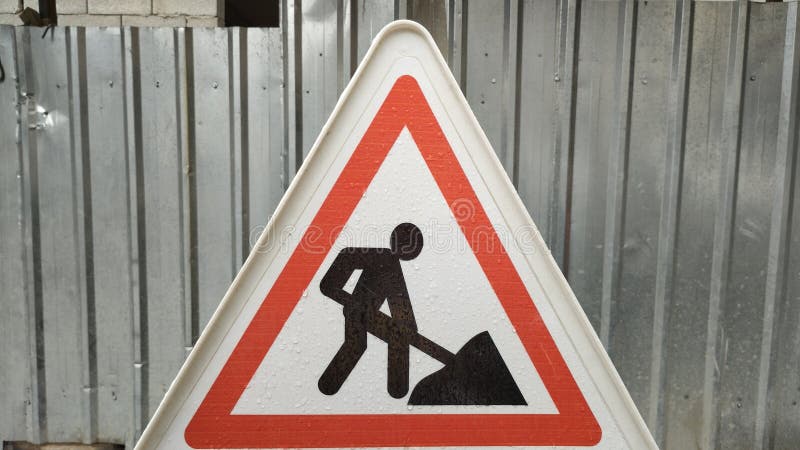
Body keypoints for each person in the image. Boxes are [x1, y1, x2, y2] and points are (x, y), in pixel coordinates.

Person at [318, 223, 423, 399]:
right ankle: (327, 386)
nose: (409, 250)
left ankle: (398, 394)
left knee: (398, 338)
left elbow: (399, 302)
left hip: (370, 315)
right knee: (356, 345)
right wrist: (350, 301)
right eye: (408, 244)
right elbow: (330, 280)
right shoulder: (377, 256)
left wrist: (408, 326)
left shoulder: (393, 268)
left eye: (413, 247)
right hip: (356, 312)